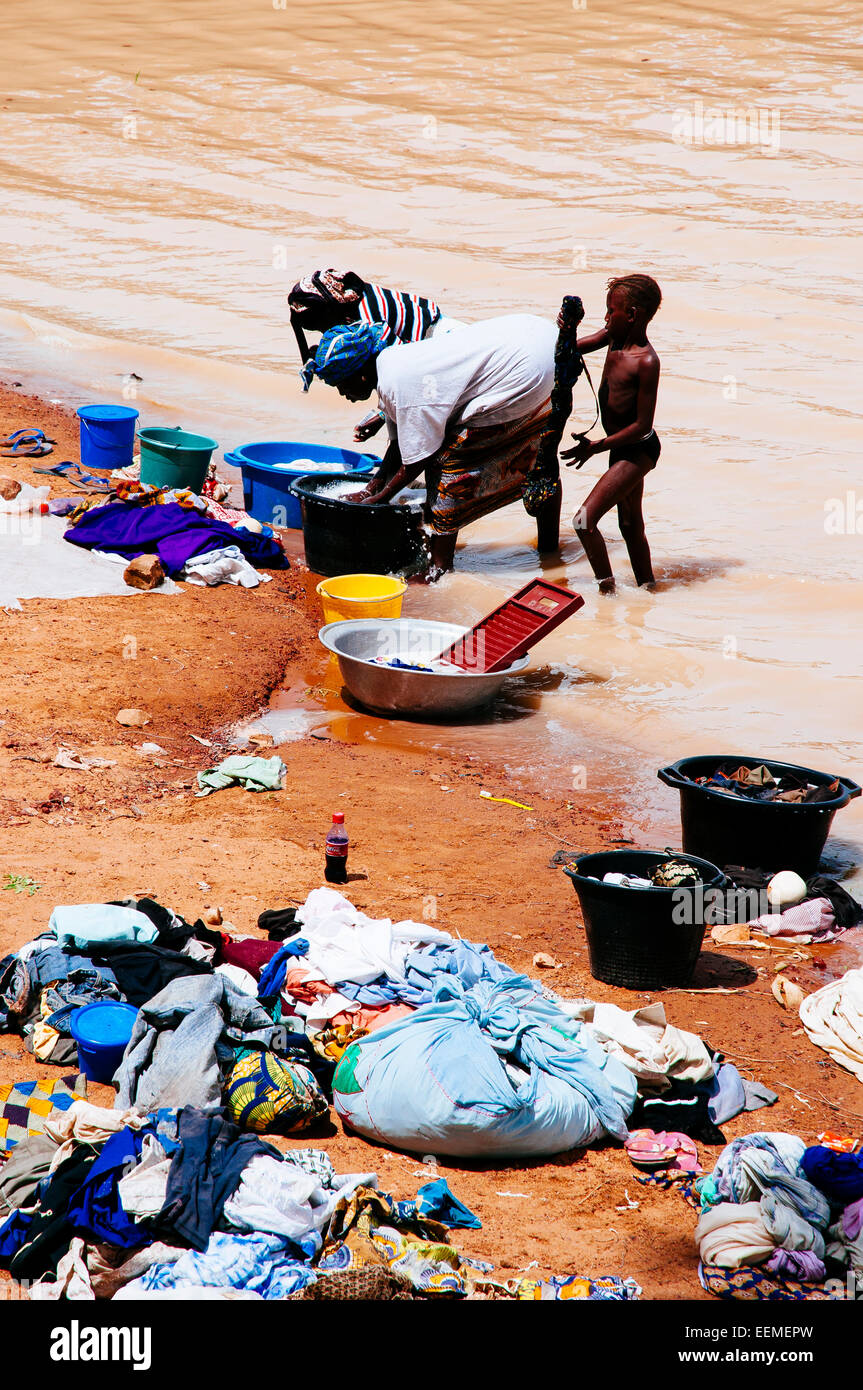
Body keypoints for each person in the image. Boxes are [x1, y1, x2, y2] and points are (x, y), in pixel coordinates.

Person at [300, 315, 560, 577]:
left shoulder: (399, 385)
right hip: (540, 338)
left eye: (341, 385)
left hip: (528, 369)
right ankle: (550, 554)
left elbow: (419, 459)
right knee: (542, 458)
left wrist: (379, 500)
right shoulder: (392, 362)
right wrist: (371, 488)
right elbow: (401, 445)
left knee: (449, 464)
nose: (343, 394)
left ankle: (439, 569)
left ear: (361, 375)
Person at [561, 274, 662, 593]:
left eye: (610, 311)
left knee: (583, 521)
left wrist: (596, 447)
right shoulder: (612, 337)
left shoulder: (646, 361)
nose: (605, 318)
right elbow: (571, 349)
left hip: (639, 450)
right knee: (630, 526)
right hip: (621, 449)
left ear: (632, 315)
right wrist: (564, 332)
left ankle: (608, 592)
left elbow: (642, 426)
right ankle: (648, 591)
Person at [288, 269, 463, 441]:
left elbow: (404, 382)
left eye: (321, 326)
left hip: (447, 348)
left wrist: (383, 415)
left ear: (329, 311)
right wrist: (385, 415)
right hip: (440, 342)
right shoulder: (349, 300)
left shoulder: (367, 322)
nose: (327, 333)